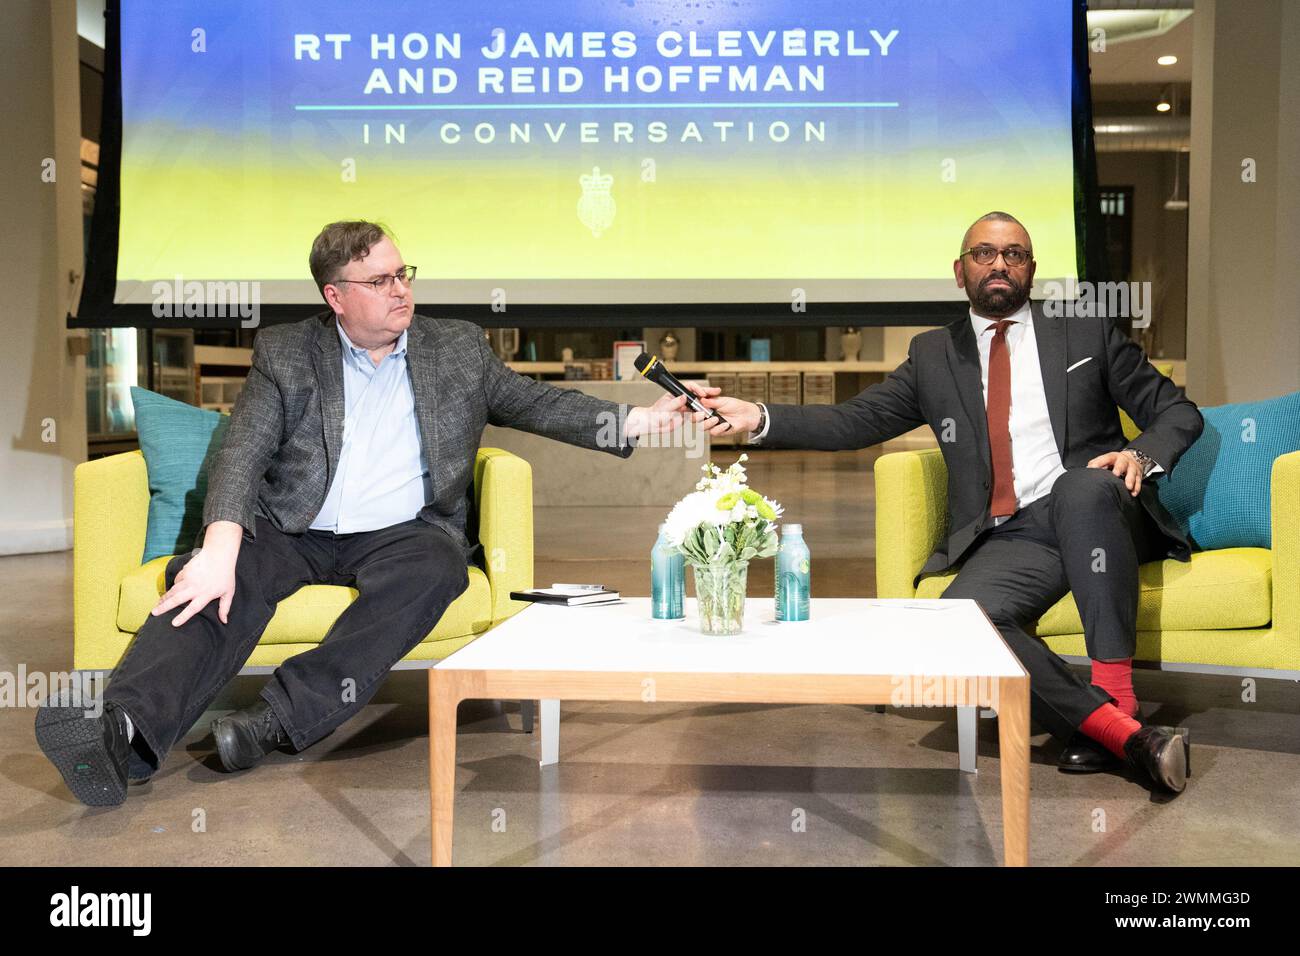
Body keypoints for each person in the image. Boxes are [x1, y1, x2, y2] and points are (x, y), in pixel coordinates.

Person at [37, 220, 694, 807]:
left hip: (404, 533)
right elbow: (244, 449)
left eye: (403, 273)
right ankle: (119, 732)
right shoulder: (288, 351)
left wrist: (633, 418)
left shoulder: (457, 348)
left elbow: (537, 405)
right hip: (295, 527)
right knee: (213, 582)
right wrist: (218, 546)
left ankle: (276, 719)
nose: (401, 290)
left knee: (436, 569)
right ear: (336, 296)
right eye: (380, 280)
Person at [691, 211, 1203, 794]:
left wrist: (1138, 456)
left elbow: (1178, 413)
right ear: (960, 272)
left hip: (1102, 514)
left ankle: (1119, 698)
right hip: (1019, 534)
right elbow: (855, 420)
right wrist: (757, 417)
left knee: (1080, 485)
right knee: (959, 623)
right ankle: (1118, 734)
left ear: (1031, 269)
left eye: (1014, 253)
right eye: (984, 253)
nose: (1000, 263)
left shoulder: (1086, 333)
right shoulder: (934, 355)